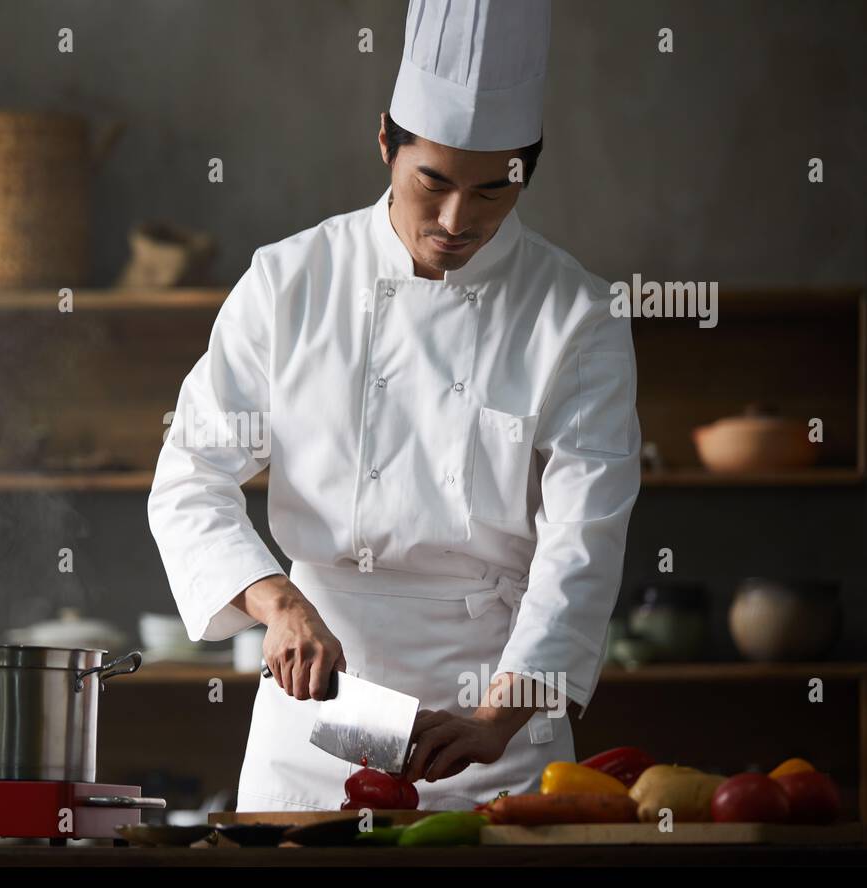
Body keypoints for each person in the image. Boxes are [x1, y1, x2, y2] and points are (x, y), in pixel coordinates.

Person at [148, 0, 640, 811]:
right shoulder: (291, 281)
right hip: (316, 707)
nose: (456, 221)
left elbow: (582, 544)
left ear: (527, 171)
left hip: (495, 728)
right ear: (386, 141)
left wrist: (496, 719)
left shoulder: (576, 315)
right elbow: (191, 477)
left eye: (491, 192)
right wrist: (279, 604)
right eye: (433, 183)